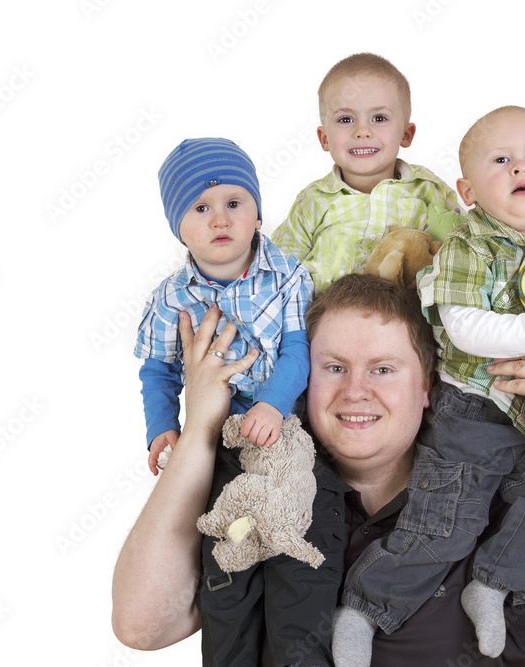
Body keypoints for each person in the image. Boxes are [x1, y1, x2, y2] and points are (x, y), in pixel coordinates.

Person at [112, 272, 525, 666]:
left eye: (384, 369)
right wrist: (200, 430)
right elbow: (141, 624)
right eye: (334, 367)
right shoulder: (266, 498)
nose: (356, 392)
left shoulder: (504, 513)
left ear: (427, 389)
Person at [331, 106, 525, 663]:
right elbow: (465, 327)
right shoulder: (468, 246)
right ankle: (363, 606)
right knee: (446, 526)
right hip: (472, 416)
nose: (518, 169)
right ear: (469, 188)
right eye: (500, 161)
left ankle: (495, 583)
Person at [133, 138, 340, 665]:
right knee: (227, 563)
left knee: (299, 557)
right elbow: (157, 370)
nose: (219, 219)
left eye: (233, 203)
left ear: (256, 212)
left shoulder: (288, 275)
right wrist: (162, 425)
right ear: (178, 226)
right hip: (220, 439)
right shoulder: (171, 298)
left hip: (287, 430)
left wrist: (272, 404)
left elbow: (297, 350)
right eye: (200, 209)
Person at [271, 53, 460, 294]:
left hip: (406, 318)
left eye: (379, 118)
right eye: (345, 119)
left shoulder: (427, 188)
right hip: (326, 319)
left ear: (406, 134)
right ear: (324, 138)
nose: (362, 131)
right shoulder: (314, 200)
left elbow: (461, 241)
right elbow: (278, 266)